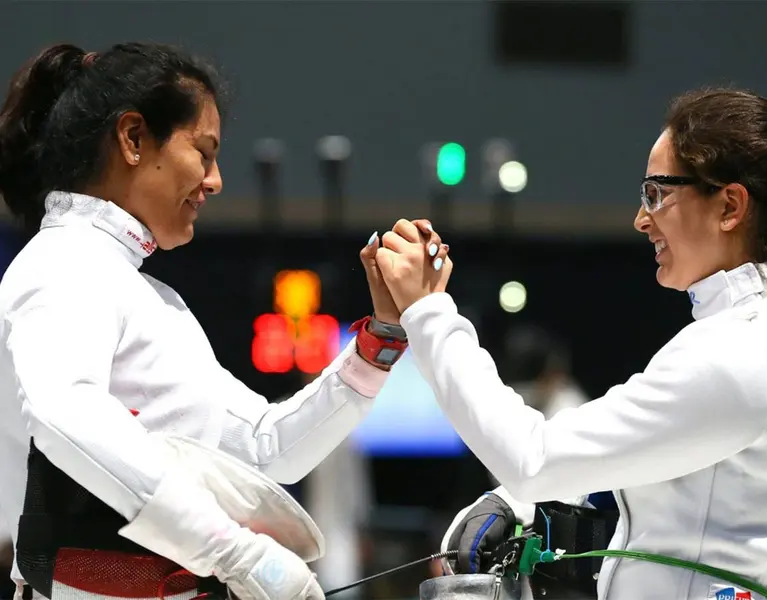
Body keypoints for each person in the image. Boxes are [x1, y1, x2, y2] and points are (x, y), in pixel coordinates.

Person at [0, 42, 448, 600]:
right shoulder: (65, 260)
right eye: (204, 152)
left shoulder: (147, 293)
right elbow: (66, 412)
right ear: (134, 139)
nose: (214, 181)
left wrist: (382, 338)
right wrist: (231, 551)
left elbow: (265, 448)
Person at [373, 88, 767, 600]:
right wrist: (520, 504)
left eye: (656, 193)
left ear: (729, 205)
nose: (642, 220)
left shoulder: (740, 352)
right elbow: (648, 459)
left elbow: (534, 459)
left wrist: (427, 312)